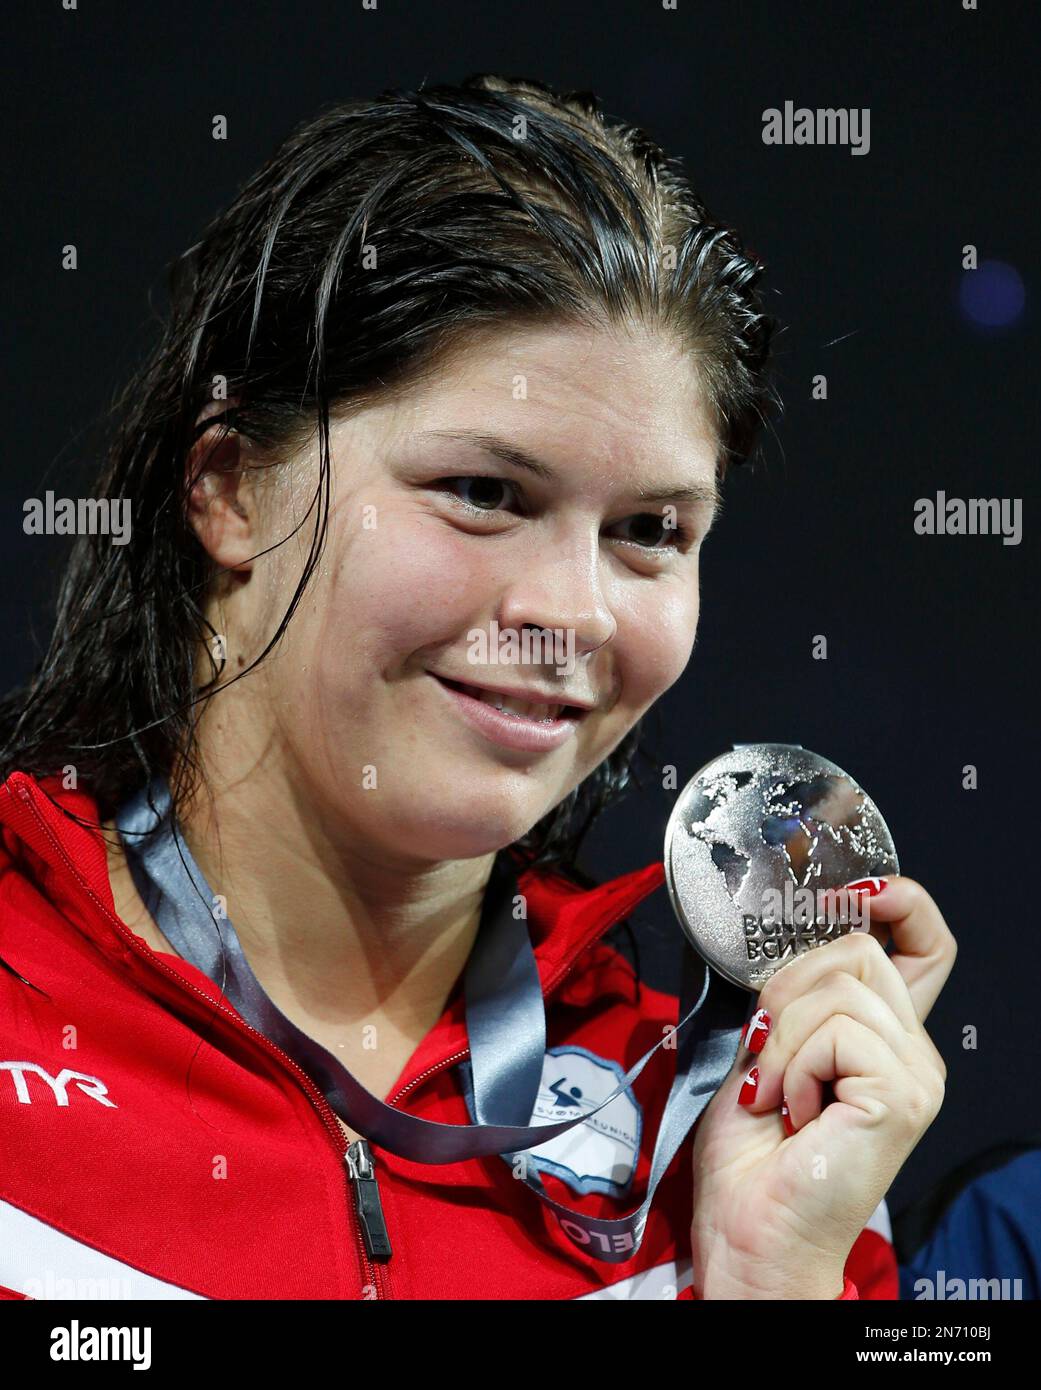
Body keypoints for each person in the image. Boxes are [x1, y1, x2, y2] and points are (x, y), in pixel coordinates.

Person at [0, 73, 955, 1301]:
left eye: (650, 528)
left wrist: (770, 1281)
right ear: (232, 486)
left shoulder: (735, 1137)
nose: (572, 613)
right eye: (484, 493)